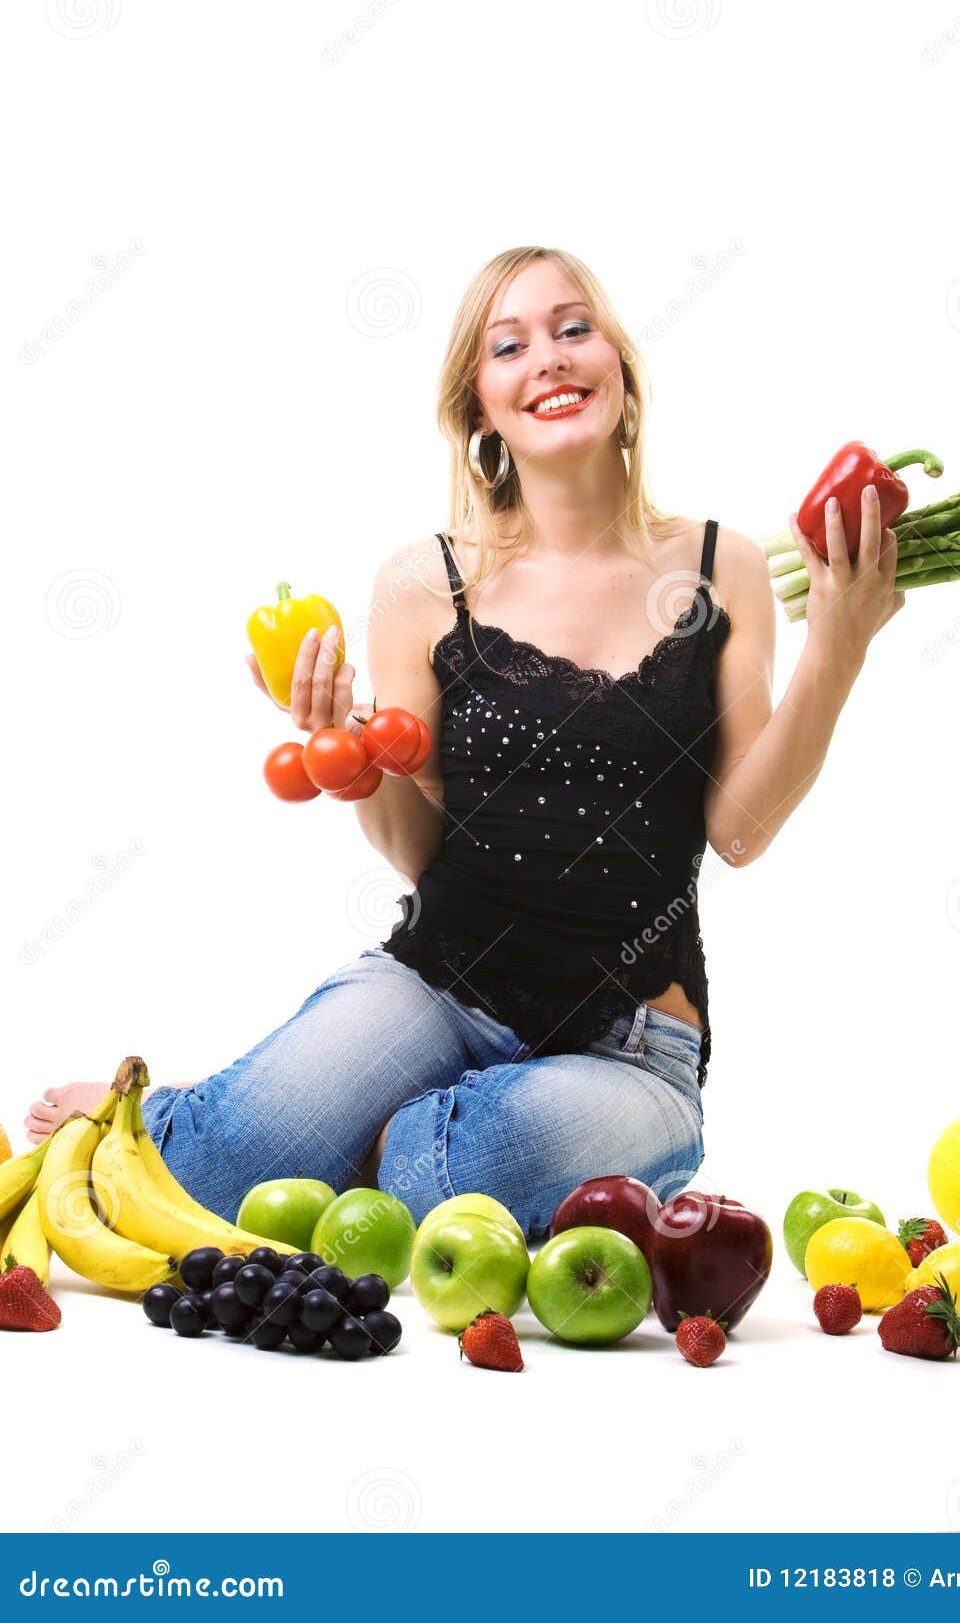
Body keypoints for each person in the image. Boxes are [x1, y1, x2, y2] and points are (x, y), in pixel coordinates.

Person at [24, 246, 902, 1238]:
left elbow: (737, 833)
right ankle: (233, 1119)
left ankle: (326, 1123)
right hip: (438, 986)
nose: (549, 358)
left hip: (628, 1045)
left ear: (618, 365)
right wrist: (342, 739)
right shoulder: (422, 584)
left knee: (434, 1177)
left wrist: (837, 648)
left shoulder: (717, 567)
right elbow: (414, 847)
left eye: (574, 329)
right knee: (217, 1173)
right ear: (479, 407)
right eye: (509, 346)